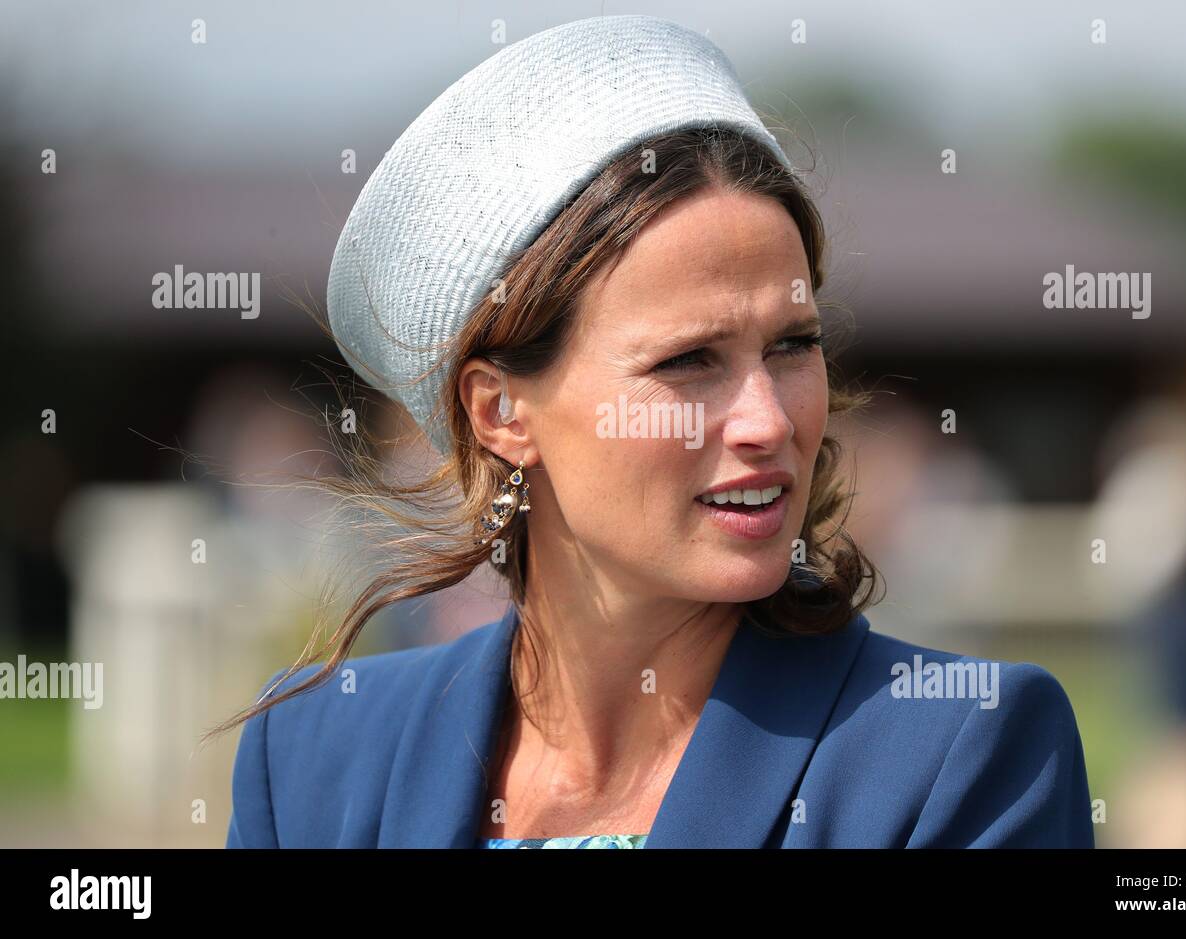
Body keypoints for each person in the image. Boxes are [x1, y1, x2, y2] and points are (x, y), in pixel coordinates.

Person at [218, 14, 1093, 849]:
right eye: (688, 361)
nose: (769, 419)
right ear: (499, 411)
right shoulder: (313, 753)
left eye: (793, 345)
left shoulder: (955, 752)